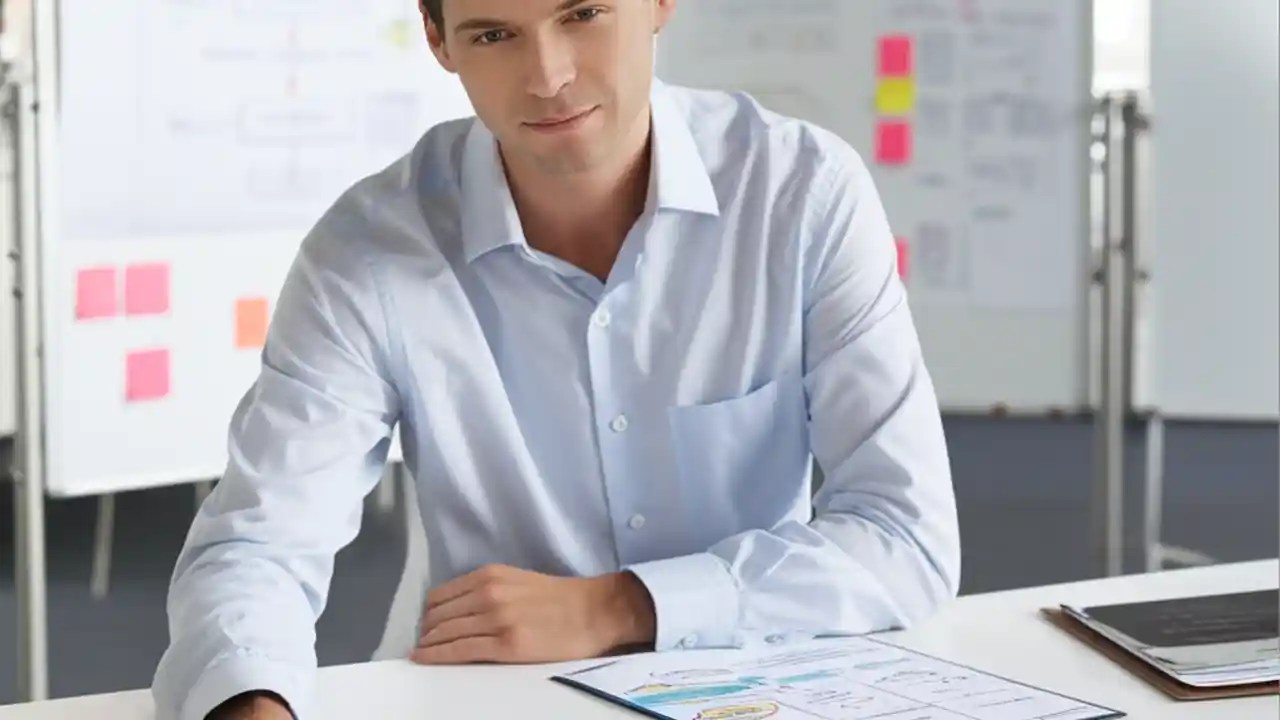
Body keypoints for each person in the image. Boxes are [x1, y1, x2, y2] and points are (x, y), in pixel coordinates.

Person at [151, 0, 961, 717]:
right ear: (438, 41)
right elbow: (259, 545)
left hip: (759, 682)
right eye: (495, 33)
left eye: (583, 14)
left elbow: (905, 537)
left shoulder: (801, 194)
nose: (548, 76)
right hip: (481, 697)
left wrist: (622, 606)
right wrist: (249, 704)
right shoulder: (369, 250)